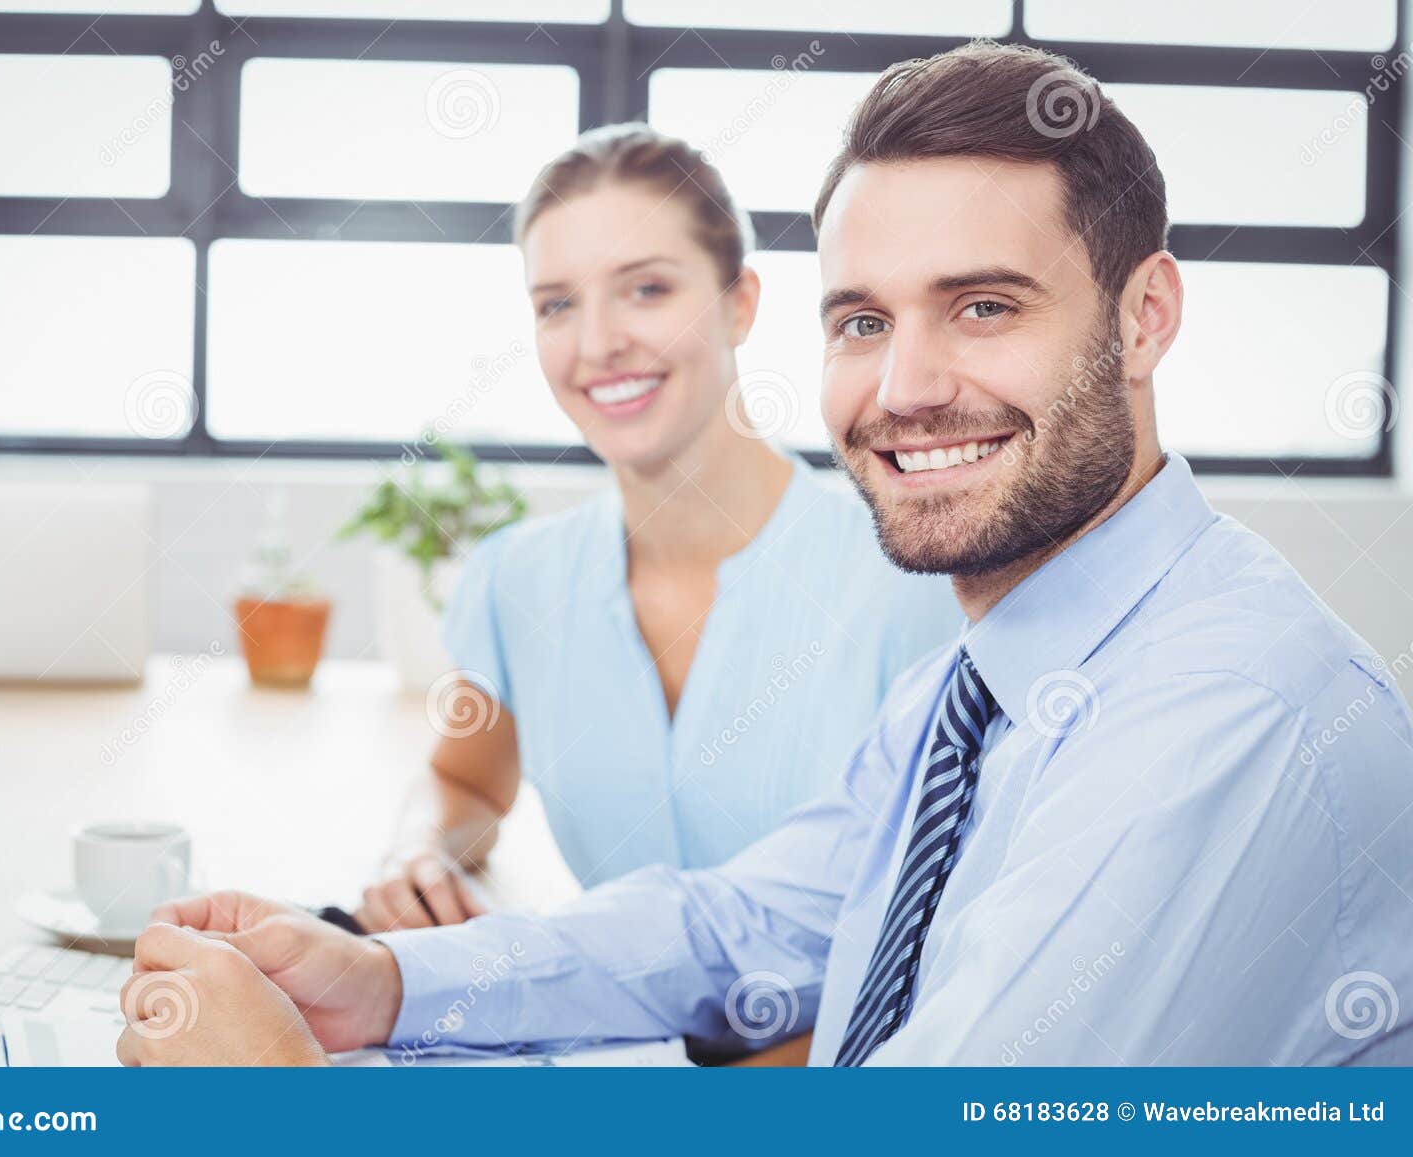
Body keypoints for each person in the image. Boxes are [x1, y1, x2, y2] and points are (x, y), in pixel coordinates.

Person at [117, 41, 1413, 1068]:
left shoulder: (1218, 713)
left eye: (983, 305)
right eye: (862, 321)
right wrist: (387, 982)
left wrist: (282, 1102)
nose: (906, 388)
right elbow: (743, 922)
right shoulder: (987, 678)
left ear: (1145, 317)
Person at [352, 125, 957, 944]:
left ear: (740, 304)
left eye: (646, 289)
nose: (598, 343)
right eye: (557, 304)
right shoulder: (519, 581)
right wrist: (417, 849)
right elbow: (466, 782)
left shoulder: (910, 580)